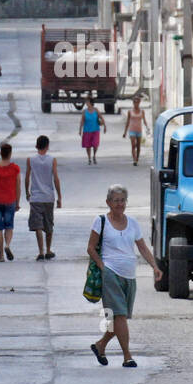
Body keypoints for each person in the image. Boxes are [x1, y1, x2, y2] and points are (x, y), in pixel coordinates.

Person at [88, 185, 161, 368]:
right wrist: (102, 266)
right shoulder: (100, 221)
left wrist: (154, 266)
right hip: (111, 273)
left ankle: (100, 345)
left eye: (122, 200)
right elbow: (90, 248)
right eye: (116, 200)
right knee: (119, 316)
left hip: (129, 275)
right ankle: (127, 356)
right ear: (108, 202)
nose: (119, 204)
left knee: (119, 318)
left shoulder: (133, 223)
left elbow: (142, 247)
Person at [25, 135, 62, 260]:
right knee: (49, 225)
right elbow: (56, 179)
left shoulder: (30, 159)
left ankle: (41, 251)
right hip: (48, 197)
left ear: (36, 145)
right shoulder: (52, 160)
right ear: (47, 146)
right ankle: (49, 249)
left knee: (38, 226)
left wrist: (27, 192)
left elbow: (26, 178)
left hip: (35, 197)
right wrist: (59, 197)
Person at [122, 95, 146, 166]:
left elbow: (144, 120)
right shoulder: (130, 111)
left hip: (139, 130)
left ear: (139, 102)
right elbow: (127, 122)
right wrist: (125, 132)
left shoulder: (142, 111)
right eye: (135, 102)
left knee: (138, 146)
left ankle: (137, 158)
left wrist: (147, 127)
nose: (136, 103)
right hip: (132, 130)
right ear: (133, 103)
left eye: (137, 102)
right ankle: (134, 160)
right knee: (133, 145)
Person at [79, 100, 103, 164]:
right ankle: (89, 158)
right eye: (86, 102)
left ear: (91, 103)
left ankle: (94, 156)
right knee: (88, 146)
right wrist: (80, 129)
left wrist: (104, 125)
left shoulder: (96, 110)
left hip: (95, 130)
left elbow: (101, 117)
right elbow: (82, 121)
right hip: (87, 130)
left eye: (88, 102)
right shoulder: (84, 111)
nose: (86, 103)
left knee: (95, 144)